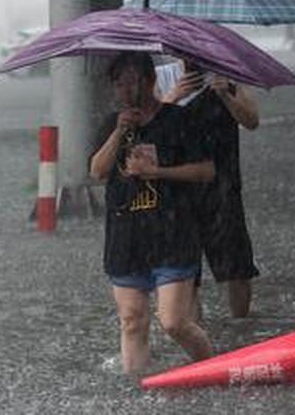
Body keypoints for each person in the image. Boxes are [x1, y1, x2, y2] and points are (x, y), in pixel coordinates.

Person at [89, 52, 216, 376]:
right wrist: (119, 133)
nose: (125, 90)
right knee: (132, 320)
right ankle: (137, 393)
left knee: (174, 322)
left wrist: (158, 172)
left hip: (172, 233)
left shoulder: (179, 119)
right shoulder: (111, 123)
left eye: (131, 82)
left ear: (150, 80)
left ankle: (214, 371)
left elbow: (205, 171)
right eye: (118, 84)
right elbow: (97, 171)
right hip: (126, 236)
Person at [157, 59, 260, 319]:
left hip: (223, 186)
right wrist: (172, 98)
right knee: (186, 274)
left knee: (237, 268)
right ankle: (198, 333)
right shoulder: (160, 77)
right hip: (178, 189)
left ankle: (240, 329)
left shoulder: (231, 73)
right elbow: (151, 132)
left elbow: (251, 121)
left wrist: (226, 94)